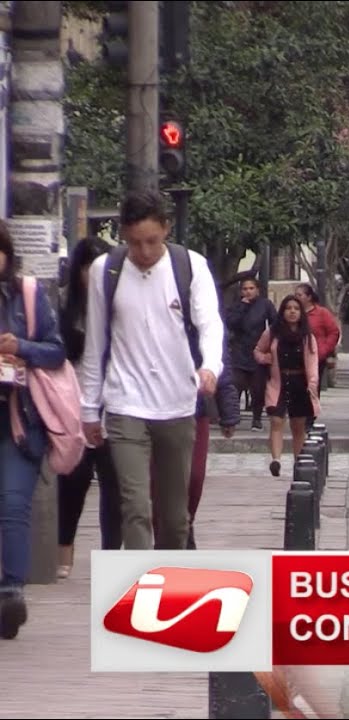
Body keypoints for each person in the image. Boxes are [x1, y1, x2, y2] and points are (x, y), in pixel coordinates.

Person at [78, 191, 225, 551]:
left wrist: (209, 367)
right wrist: (88, 409)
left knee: (175, 520)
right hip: (125, 404)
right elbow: (96, 343)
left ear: (166, 229)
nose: (143, 252)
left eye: (151, 242)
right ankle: (142, 591)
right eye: (134, 243)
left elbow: (210, 325)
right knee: (135, 507)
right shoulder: (106, 271)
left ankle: (171, 587)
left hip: (177, 404)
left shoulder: (189, 266)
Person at [0, 220, 69, 639]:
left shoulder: (25, 295)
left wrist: (20, 348)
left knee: (12, 504)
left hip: (17, 420)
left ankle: (10, 594)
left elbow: (57, 349)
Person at [56, 237, 123, 578]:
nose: (95, 274)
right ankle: (63, 550)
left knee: (115, 488)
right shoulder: (66, 310)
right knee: (73, 482)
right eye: (88, 267)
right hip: (74, 409)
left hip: (115, 410)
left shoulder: (120, 306)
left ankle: (112, 556)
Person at [151, 345, 241, 549]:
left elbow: (220, 360)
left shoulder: (204, 315)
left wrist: (228, 411)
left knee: (195, 476)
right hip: (154, 408)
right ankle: (163, 534)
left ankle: (184, 524)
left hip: (194, 408)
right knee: (157, 479)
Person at [255, 295, 321, 477]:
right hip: (278, 382)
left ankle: (298, 463)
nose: (292, 312)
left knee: (298, 425)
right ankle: (276, 460)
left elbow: (313, 363)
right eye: (288, 308)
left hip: (300, 383)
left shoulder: (308, 337)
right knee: (276, 420)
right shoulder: (272, 333)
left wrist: (313, 383)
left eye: (296, 308)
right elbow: (258, 350)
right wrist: (266, 358)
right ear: (282, 311)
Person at [225, 277, 276, 431]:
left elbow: (275, 323)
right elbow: (231, 323)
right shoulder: (236, 306)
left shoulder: (265, 305)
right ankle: (231, 417)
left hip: (258, 351)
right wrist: (242, 307)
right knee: (235, 385)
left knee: (258, 388)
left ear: (257, 290)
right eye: (245, 289)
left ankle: (257, 418)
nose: (248, 292)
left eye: (251, 288)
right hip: (240, 351)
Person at [293, 284, 340, 397]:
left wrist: (324, 350)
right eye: (295, 295)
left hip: (315, 357)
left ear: (309, 297)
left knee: (312, 387)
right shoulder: (294, 312)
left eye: (299, 295)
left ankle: (311, 411)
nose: (296, 297)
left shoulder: (322, 313)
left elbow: (333, 332)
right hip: (295, 356)